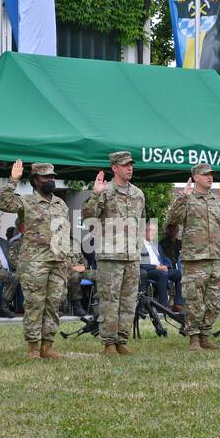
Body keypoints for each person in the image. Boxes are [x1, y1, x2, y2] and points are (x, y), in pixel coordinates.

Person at [0, 160, 73, 359]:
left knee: (53, 304)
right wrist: (13, 180)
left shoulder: (61, 203)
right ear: (35, 181)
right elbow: (3, 203)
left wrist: (68, 259)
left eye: (53, 177)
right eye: (46, 177)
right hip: (34, 262)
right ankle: (33, 347)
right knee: (34, 304)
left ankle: (47, 346)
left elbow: (64, 233)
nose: (51, 180)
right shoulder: (26, 201)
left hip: (57, 262)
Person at [81, 151, 146, 356]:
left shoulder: (138, 193)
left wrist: (138, 247)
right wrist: (95, 194)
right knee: (109, 301)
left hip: (131, 256)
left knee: (128, 301)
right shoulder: (105, 191)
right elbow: (88, 218)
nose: (129, 168)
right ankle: (109, 343)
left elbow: (141, 222)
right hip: (110, 257)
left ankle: (122, 340)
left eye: (131, 165)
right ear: (114, 168)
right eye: (125, 165)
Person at [164, 163, 220, 350]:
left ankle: (205, 336)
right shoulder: (187, 199)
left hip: (215, 259)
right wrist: (182, 198)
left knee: (214, 301)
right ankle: (193, 338)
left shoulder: (217, 202)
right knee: (194, 301)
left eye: (211, 174)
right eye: (205, 174)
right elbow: (172, 220)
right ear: (195, 178)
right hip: (194, 260)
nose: (210, 177)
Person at [139, 220, 179, 307]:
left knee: (178, 273)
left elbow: (164, 258)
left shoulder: (156, 245)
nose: (152, 232)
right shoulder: (140, 245)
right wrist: (156, 267)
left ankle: (178, 303)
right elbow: (140, 263)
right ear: (144, 231)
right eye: (149, 230)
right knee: (162, 274)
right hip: (150, 270)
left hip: (161, 269)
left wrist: (166, 266)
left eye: (153, 230)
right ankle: (162, 306)